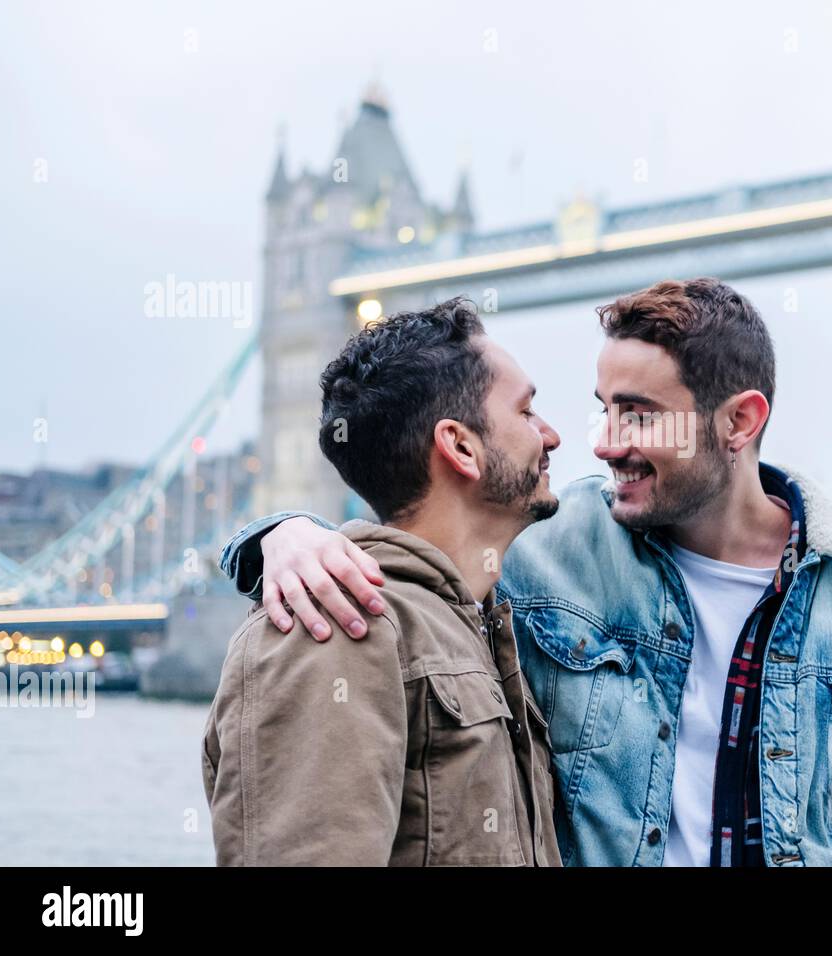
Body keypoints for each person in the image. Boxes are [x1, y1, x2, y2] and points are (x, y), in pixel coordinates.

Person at [220, 277, 832, 866]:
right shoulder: (543, 548)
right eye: (602, 408)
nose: (600, 441)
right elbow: (417, 535)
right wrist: (282, 537)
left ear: (741, 421)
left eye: (636, 414)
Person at [203, 298, 562, 866]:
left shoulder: (477, 620)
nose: (553, 435)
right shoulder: (331, 626)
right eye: (526, 413)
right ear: (461, 447)